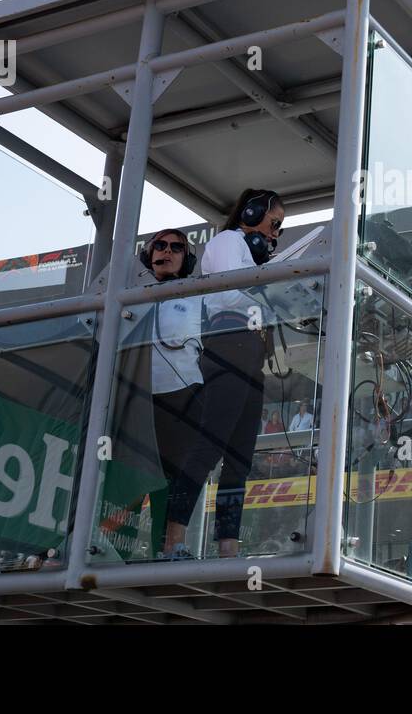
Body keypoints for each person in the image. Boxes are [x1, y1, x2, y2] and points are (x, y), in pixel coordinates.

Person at [179, 188, 286, 559]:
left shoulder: (256, 263)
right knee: (209, 446)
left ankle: (228, 546)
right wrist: (268, 290)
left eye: (280, 229)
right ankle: (173, 540)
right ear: (252, 212)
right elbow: (226, 295)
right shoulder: (227, 241)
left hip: (251, 355)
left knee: (239, 459)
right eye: (274, 223)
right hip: (228, 345)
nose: (275, 233)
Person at [134, 227, 203, 560]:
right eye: (159, 245)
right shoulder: (131, 297)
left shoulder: (200, 295)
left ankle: (168, 550)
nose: (167, 251)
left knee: (172, 481)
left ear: (186, 259)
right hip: (137, 400)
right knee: (129, 479)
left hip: (184, 397)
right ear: (149, 255)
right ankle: (112, 553)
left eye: (177, 247)